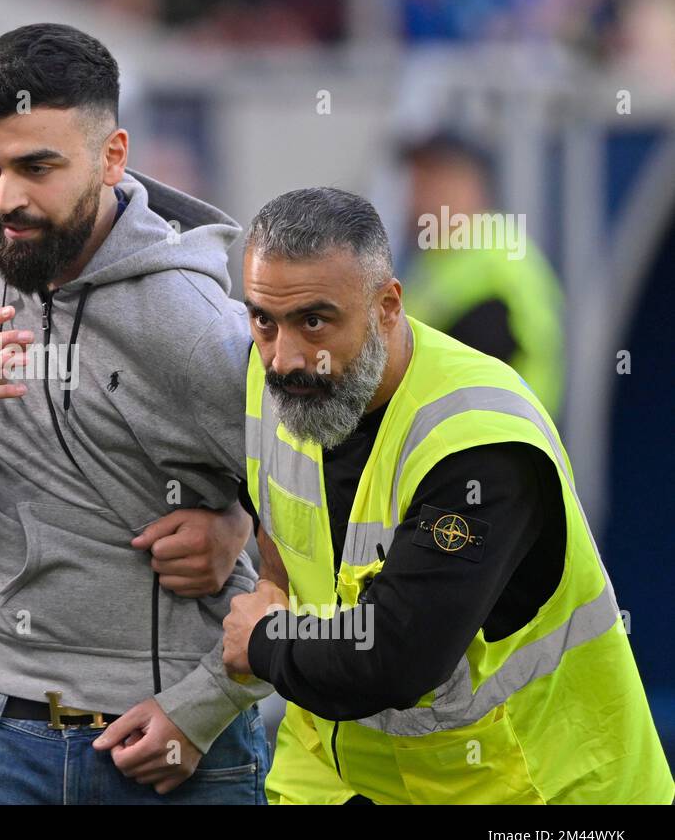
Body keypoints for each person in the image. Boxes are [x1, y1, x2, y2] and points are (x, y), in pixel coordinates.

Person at [0, 23, 272, 805]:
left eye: (37, 168)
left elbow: (326, 519)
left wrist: (241, 528)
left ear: (112, 156)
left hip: (182, 748)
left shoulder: (196, 318)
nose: (4, 198)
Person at [221, 186, 673, 804]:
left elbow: (396, 657)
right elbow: (273, 513)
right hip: (341, 781)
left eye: (315, 321)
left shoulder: (477, 445)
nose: (287, 356)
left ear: (387, 306)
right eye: (264, 320)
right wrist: (245, 557)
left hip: (534, 795)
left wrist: (266, 641)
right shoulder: (270, 374)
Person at [400, 132, 565, 414]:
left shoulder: (497, 262)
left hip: (496, 437)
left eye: (431, 183)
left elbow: (468, 366)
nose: (417, 198)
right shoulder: (440, 256)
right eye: (417, 183)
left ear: (470, 188)